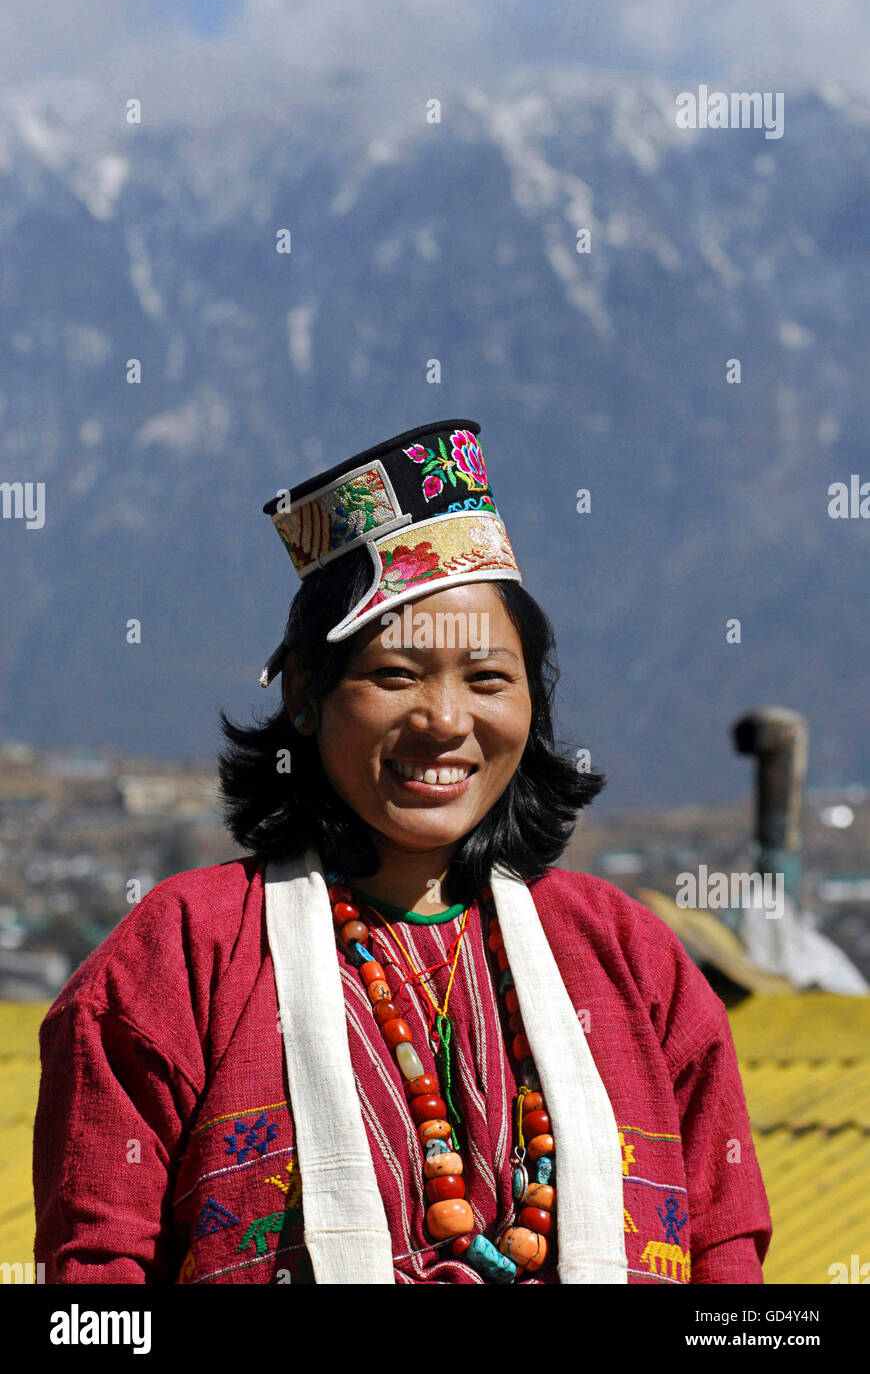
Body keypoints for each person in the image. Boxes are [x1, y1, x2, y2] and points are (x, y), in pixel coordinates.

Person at [33, 418, 772, 1284]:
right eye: (395, 675)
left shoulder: (628, 959)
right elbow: (96, 1269)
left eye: (488, 678)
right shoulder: (182, 956)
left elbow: (725, 1260)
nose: (446, 721)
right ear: (308, 694)